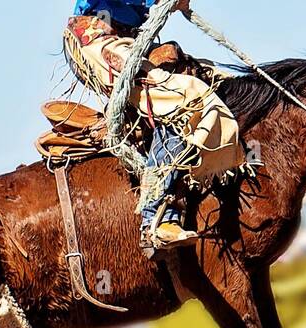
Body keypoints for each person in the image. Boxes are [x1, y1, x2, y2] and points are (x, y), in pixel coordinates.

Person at [65, 0, 244, 250]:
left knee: (217, 80)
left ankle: (233, 166)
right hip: (96, 36)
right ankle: (155, 220)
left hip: (130, 39)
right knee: (182, 99)